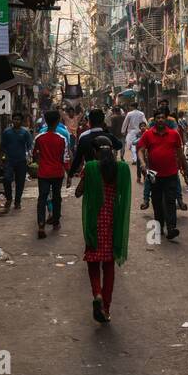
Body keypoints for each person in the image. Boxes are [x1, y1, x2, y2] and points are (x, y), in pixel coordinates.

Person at [74, 135, 131, 323]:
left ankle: (97, 294)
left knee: (93, 262)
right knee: (108, 265)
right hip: (113, 220)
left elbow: (78, 192)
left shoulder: (90, 168)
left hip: (94, 221)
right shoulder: (121, 169)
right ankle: (106, 308)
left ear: (96, 152)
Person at [136, 112, 186, 242]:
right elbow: (140, 149)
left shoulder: (174, 134)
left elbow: (180, 153)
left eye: (162, 117)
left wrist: (186, 168)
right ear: (154, 120)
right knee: (157, 202)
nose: (160, 120)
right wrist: (142, 163)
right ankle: (159, 226)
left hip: (171, 173)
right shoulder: (148, 134)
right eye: (157, 118)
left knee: (170, 201)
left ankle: (171, 228)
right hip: (154, 175)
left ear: (166, 120)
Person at [33, 109, 68, 239]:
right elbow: (65, 158)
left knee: (42, 198)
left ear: (46, 121)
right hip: (57, 172)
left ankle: (41, 225)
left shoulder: (39, 138)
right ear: (58, 121)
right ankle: (56, 222)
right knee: (57, 197)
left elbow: (35, 155)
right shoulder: (62, 138)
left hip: (43, 173)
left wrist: (41, 162)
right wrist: (69, 174)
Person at [69, 108, 123, 179]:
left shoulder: (84, 138)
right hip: (106, 175)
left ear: (90, 122)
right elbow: (119, 145)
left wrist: (70, 175)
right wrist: (106, 131)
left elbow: (77, 159)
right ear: (103, 122)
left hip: (90, 174)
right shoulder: (109, 136)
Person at [0, 111, 34, 211]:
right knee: (6, 179)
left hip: (21, 161)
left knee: (20, 182)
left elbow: (29, 146)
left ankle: (17, 201)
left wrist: (29, 157)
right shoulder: (7, 132)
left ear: (21, 121)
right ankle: (9, 198)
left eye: (18, 119)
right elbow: (3, 146)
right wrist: (1, 159)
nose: (16, 121)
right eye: (15, 119)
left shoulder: (25, 132)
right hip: (9, 160)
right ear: (12, 120)